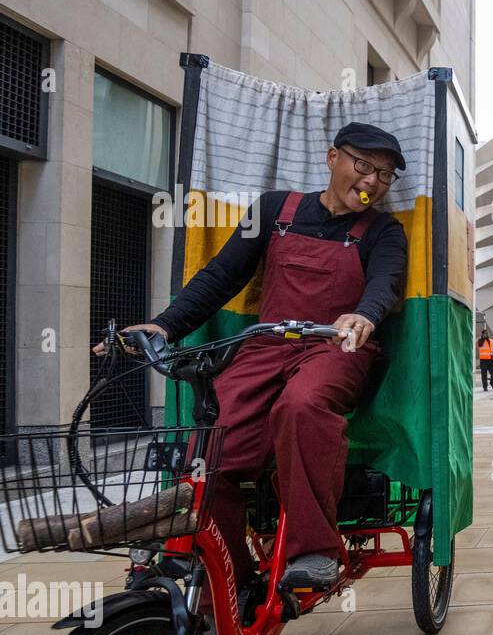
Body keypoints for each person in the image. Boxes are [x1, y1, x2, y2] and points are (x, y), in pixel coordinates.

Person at [103, 123, 409, 593]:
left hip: (337, 348)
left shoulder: (383, 231)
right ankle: (230, 581)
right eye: (364, 166)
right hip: (265, 347)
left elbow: (385, 282)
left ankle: (314, 552)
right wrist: (164, 325)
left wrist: (364, 315)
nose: (371, 182)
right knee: (213, 446)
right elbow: (221, 276)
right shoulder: (273, 210)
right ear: (333, 158)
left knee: (301, 407)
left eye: (384, 176)